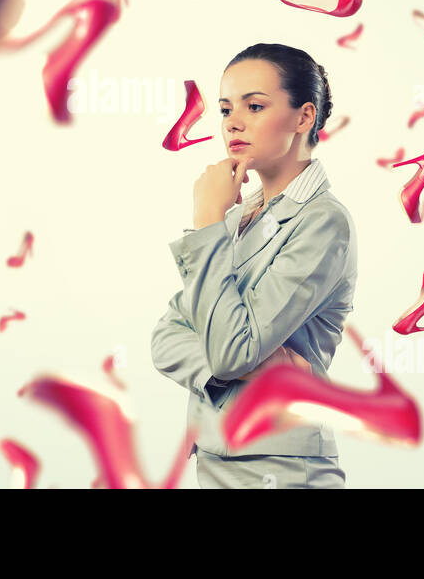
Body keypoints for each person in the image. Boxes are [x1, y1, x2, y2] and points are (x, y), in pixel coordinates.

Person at [151, 43, 358, 489]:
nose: (233, 123)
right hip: (216, 459)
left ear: (304, 117)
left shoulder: (323, 221)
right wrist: (269, 368)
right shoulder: (238, 215)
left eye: (255, 106)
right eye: (225, 110)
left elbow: (230, 353)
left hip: (280, 468)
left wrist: (206, 224)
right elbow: (165, 339)